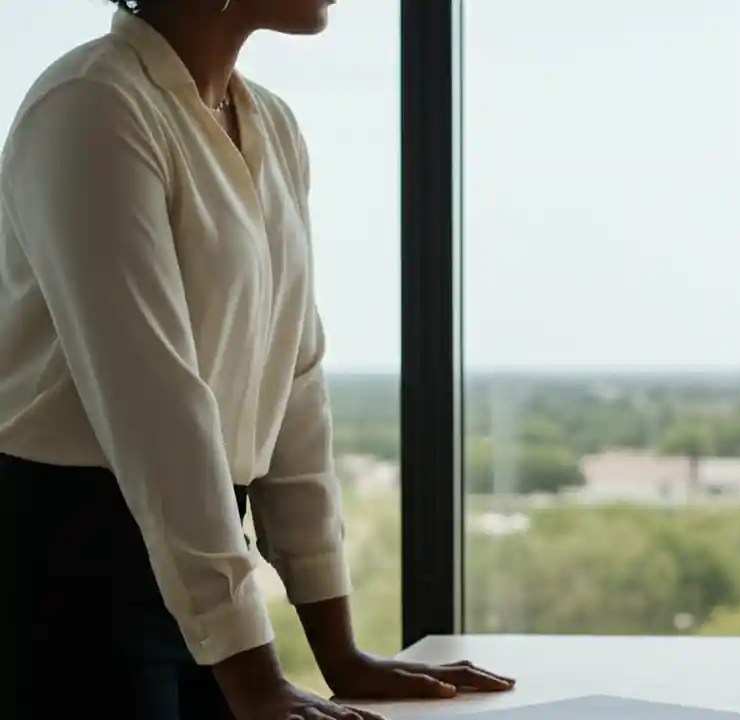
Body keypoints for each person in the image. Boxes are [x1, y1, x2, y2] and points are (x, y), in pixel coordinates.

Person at [0, 1, 512, 718]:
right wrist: (253, 683)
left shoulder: (270, 125)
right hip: (69, 572)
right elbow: (156, 412)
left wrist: (342, 656)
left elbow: (295, 382)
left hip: (196, 549)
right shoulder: (90, 108)